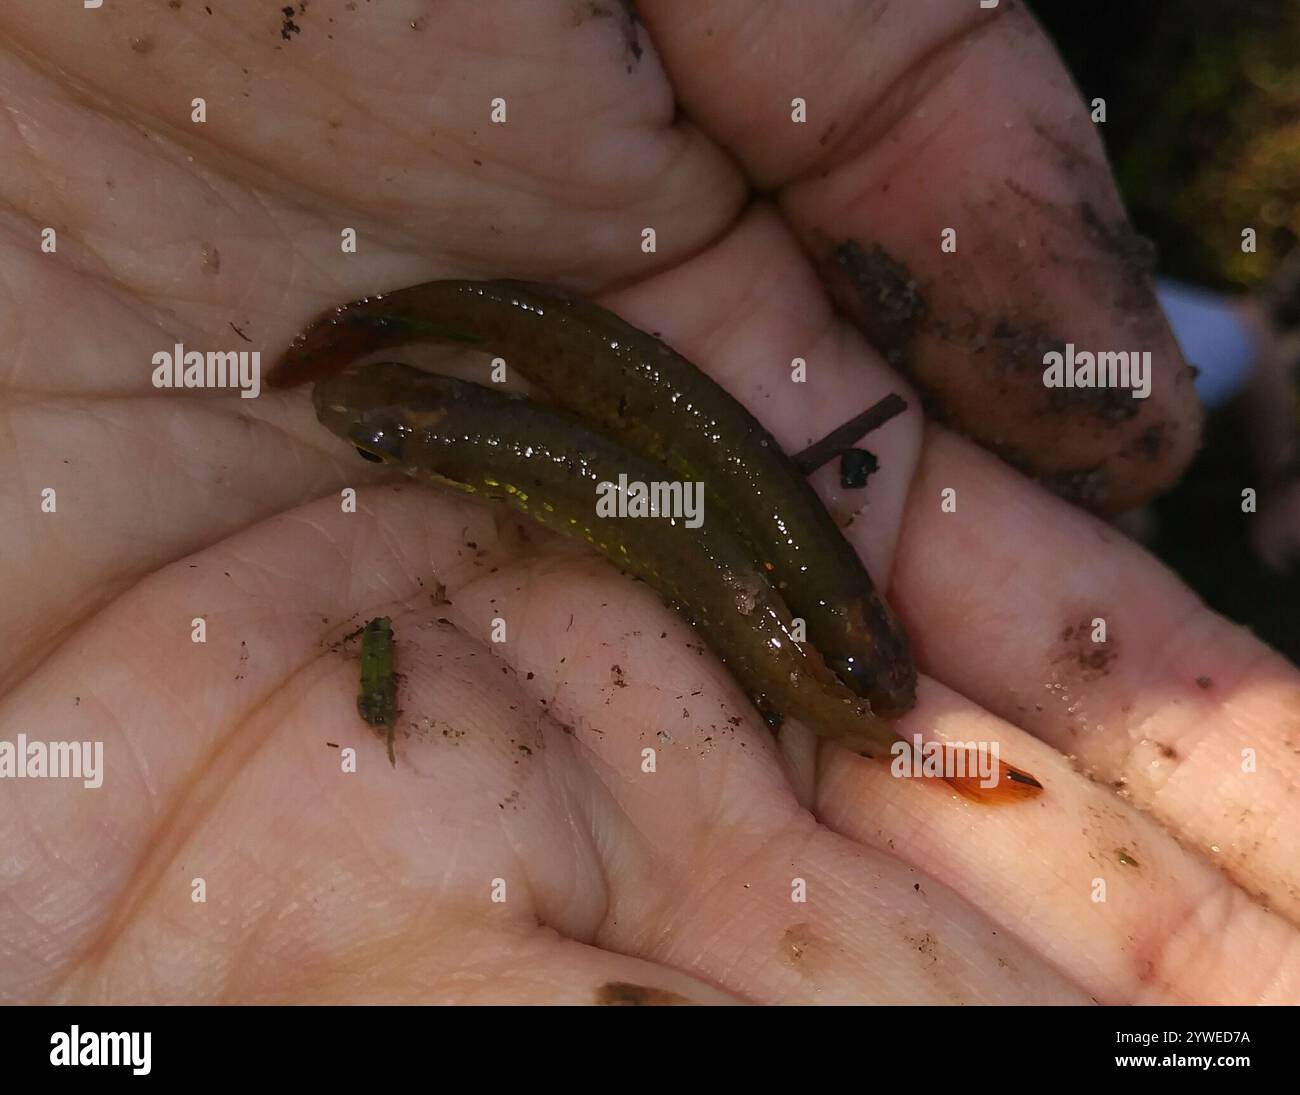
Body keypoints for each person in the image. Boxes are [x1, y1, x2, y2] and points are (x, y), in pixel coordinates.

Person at [2, 1, 1297, 1005]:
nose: (373, 434)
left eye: (394, 427)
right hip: (716, 476)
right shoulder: (529, 451)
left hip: (747, 471)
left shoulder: (550, 451)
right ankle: (1240, 353)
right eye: (401, 430)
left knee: (855, 532)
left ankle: (1238, 355)